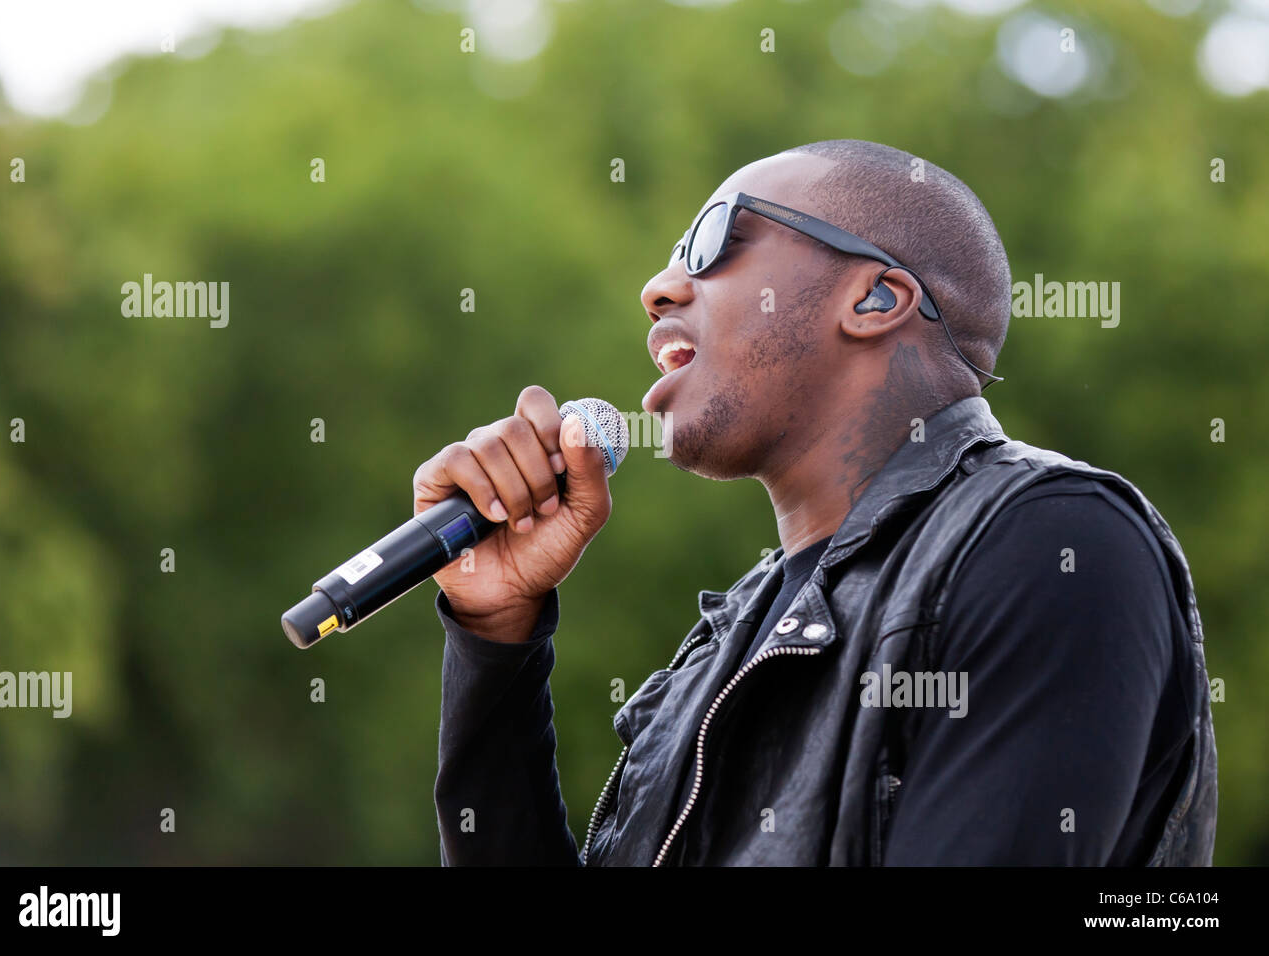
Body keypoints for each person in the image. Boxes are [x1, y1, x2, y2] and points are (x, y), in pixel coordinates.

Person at [415, 139, 1217, 866]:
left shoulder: (1054, 541)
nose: (657, 288)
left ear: (874, 299)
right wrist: (496, 640)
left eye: (713, 239)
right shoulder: (719, 651)